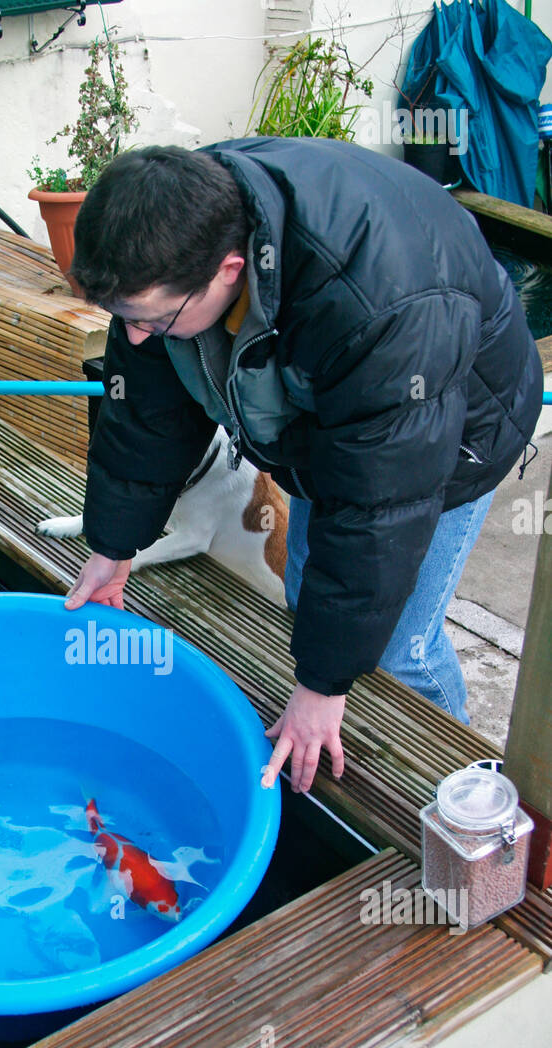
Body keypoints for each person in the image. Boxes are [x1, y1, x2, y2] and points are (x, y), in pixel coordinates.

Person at [62, 139, 543, 794]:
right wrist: (114, 547)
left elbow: (378, 508)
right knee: (309, 593)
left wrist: (320, 685)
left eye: (150, 318)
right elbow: (145, 411)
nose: (135, 335)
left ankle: (460, 794)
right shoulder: (173, 231)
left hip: (451, 431)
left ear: (229, 270)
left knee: (400, 647)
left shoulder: (379, 306)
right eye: (123, 317)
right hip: (325, 421)